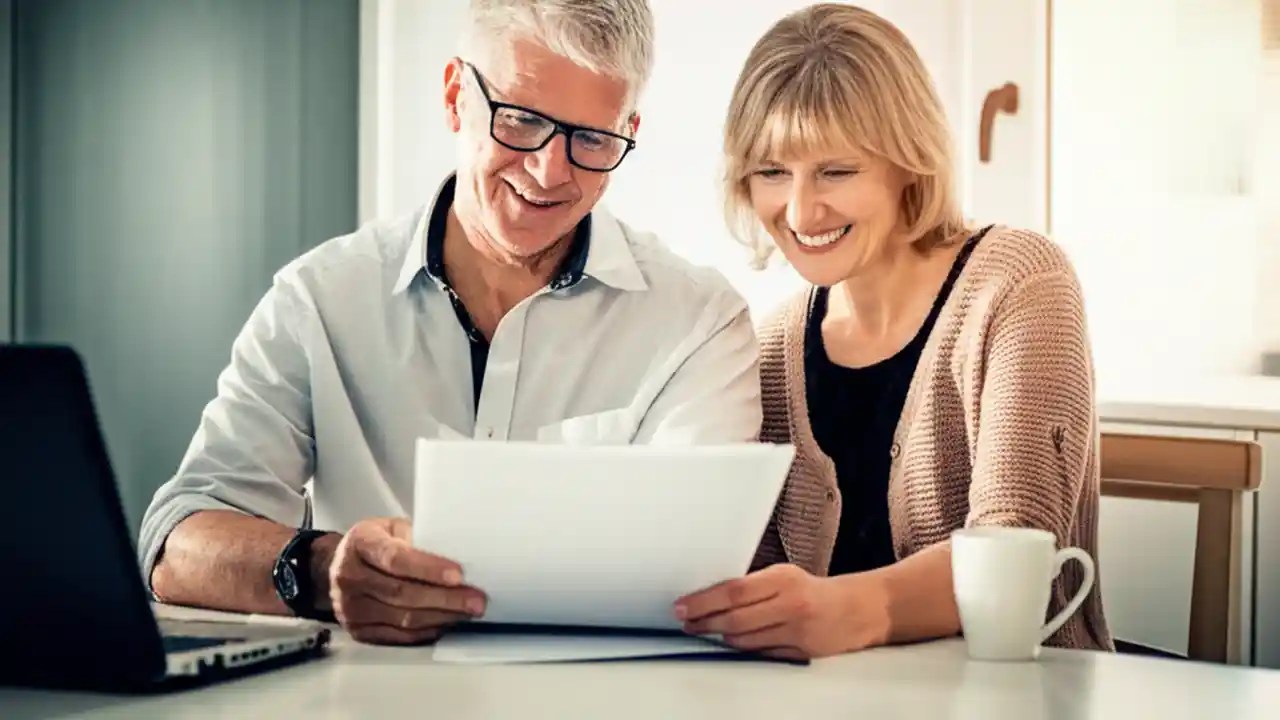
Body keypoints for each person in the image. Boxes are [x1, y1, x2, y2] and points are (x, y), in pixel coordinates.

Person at [140, 0, 762, 646]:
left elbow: (696, 577)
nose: (550, 172)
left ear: (627, 130)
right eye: (520, 120)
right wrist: (322, 569)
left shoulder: (698, 323)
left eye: (591, 139)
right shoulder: (320, 300)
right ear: (454, 96)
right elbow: (175, 541)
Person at [674, 3, 1113, 659]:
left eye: (836, 171)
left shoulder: (1019, 285)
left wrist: (849, 610)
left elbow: (1016, 549)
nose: (798, 210)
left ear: (908, 161)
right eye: (772, 172)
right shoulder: (770, 350)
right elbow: (754, 580)